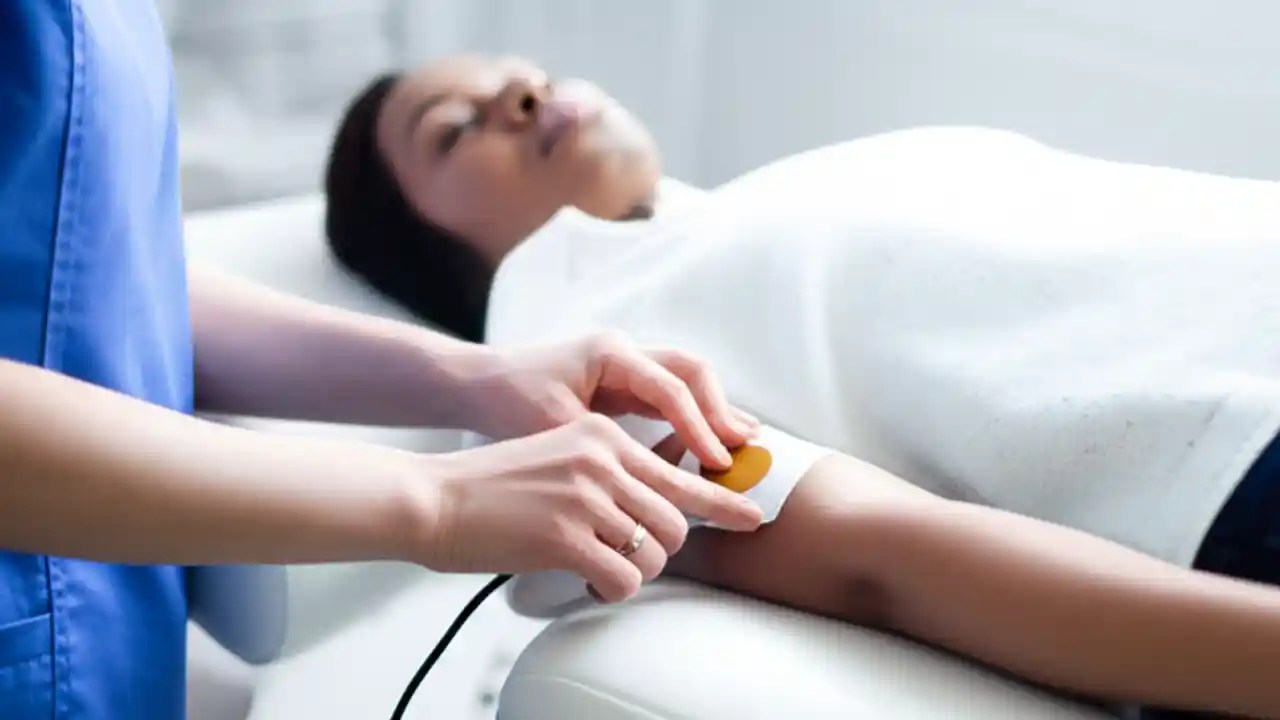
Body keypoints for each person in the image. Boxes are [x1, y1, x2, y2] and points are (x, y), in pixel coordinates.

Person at [324, 53, 1280, 718]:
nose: (520, 96)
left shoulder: (752, 215)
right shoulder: (580, 360)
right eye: (453, 131)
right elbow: (878, 557)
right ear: (431, 259)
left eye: (517, 72)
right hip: (1235, 477)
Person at [0, 6, 768, 719]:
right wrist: (437, 505)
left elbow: (107, 283)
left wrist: (472, 380)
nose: (523, 99)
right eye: (453, 129)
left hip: (111, 652)